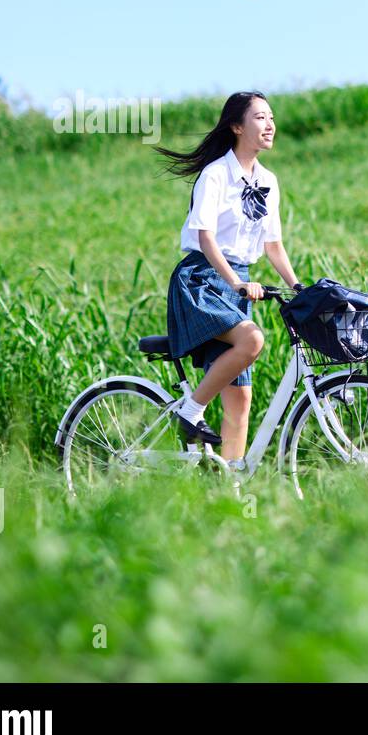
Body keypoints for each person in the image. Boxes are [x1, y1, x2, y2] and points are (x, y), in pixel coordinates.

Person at [154, 91, 301, 465]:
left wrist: (298, 287)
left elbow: (274, 246)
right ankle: (190, 411)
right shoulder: (216, 174)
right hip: (202, 279)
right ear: (236, 127)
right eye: (260, 118)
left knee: (240, 401)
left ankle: (230, 490)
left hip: (236, 285)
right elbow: (205, 236)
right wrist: (235, 282)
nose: (270, 125)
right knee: (252, 340)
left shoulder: (269, 180)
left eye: (271, 117)